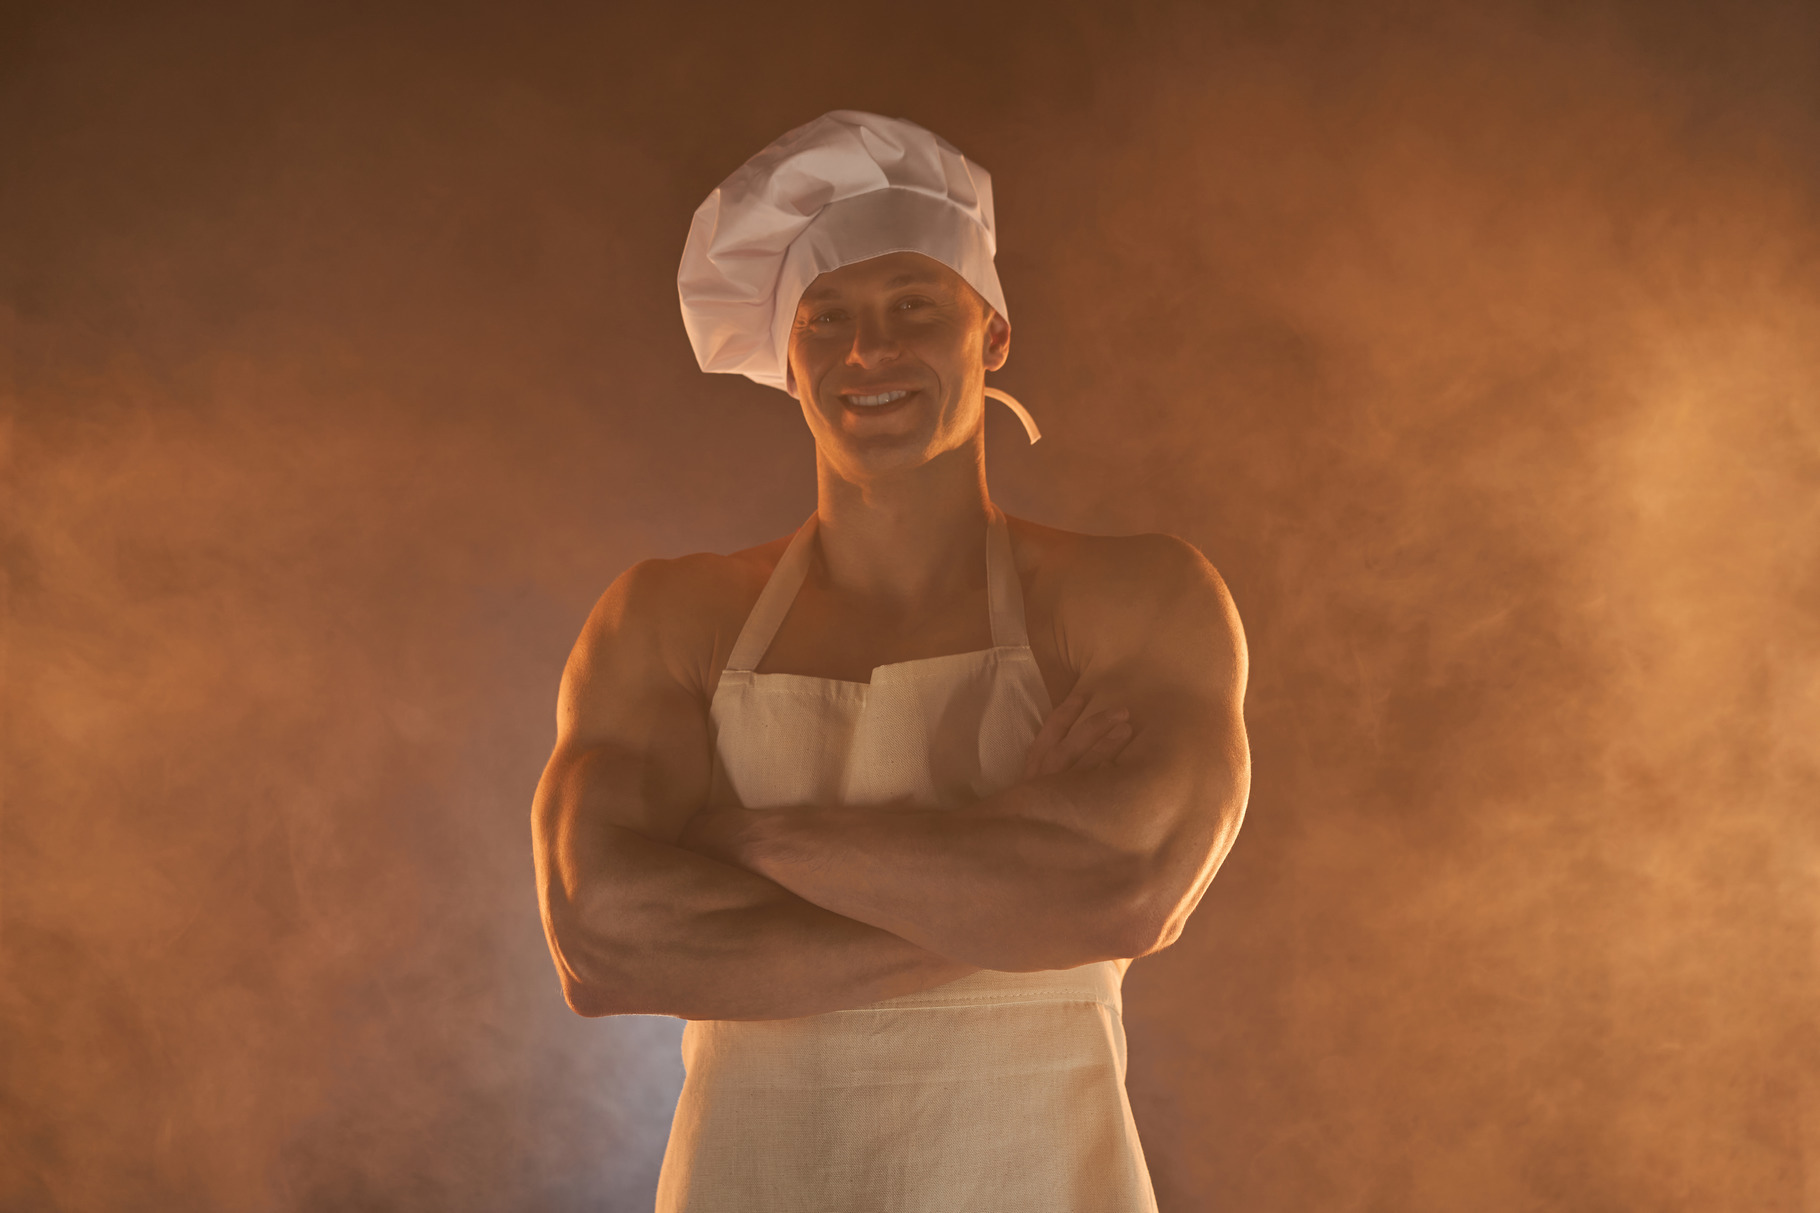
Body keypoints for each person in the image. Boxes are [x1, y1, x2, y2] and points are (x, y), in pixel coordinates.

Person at [531, 111, 1250, 1213]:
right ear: (786, 350)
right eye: (827, 318)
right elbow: (603, 942)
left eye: (914, 305)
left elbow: (1126, 890)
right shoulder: (666, 616)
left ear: (990, 329)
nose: (869, 352)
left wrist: (743, 840)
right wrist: (1012, 888)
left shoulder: (1136, 595)